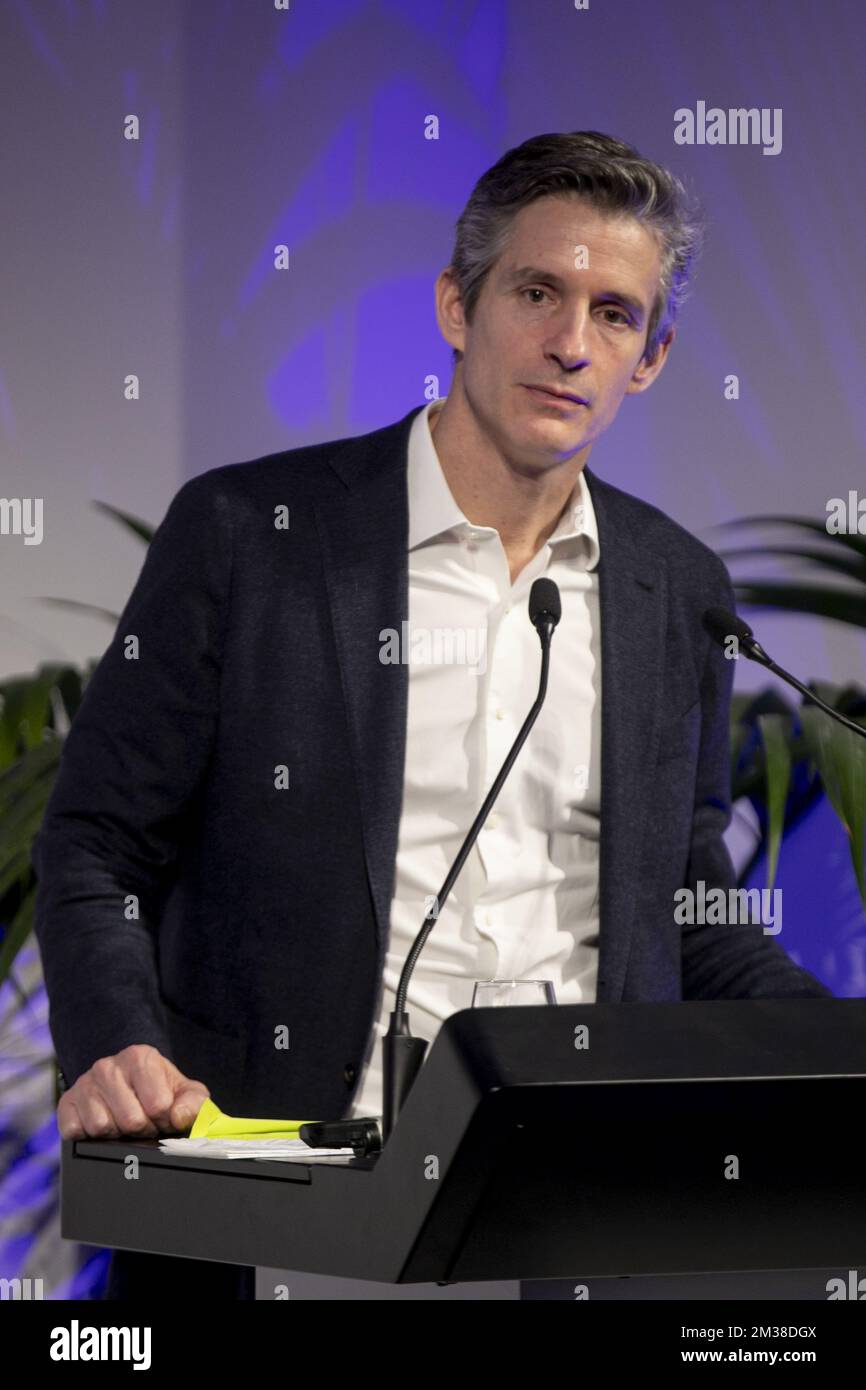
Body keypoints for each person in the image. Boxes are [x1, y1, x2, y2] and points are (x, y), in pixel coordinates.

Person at [33, 130, 833, 1302]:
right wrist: (118, 1046)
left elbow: (676, 906)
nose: (570, 343)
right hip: (289, 1183)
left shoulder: (675, 586)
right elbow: (95, 840)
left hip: (575, 1202)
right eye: (537, 292)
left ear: (652, 358)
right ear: (457, 306)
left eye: (614, 315)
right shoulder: (252, 535)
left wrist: (828, 1048)